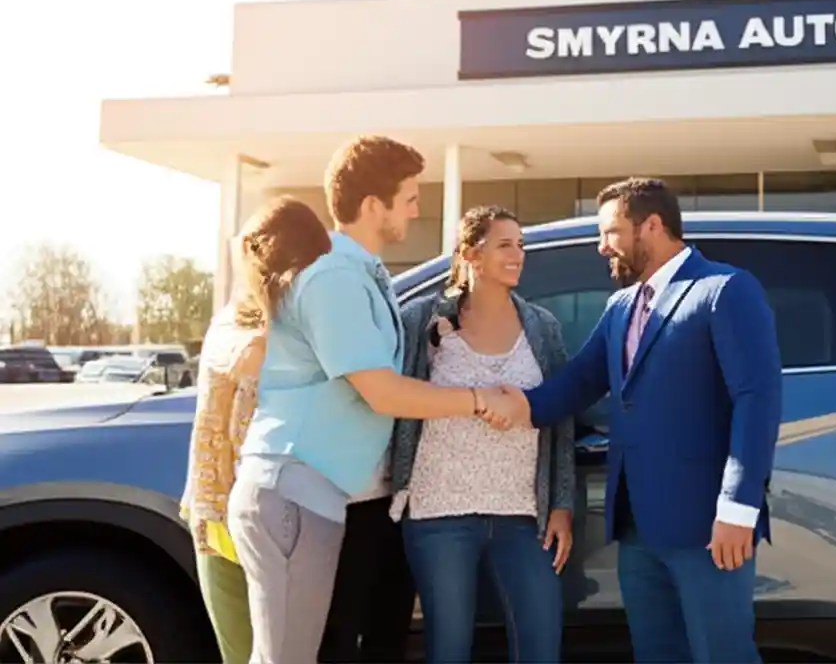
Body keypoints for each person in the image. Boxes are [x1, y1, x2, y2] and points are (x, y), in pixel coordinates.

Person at [227, 135, 527, 664]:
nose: (416, 208)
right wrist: (480, 398)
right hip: (296, 487)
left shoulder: (364, 275)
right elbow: (381, 391)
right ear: (372, 206)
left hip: (323, 491)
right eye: (408, 197)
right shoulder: (334, 279)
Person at [510, 177, 783, 663]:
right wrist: (504, 405)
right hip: (637, 527)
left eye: (611, 232)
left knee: (724, 656)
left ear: (652, 226)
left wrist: (738, 510)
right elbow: (578, 383)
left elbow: (756, 400)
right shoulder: (619, 307)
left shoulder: (723, 290)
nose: (601, 247)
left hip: (707, 527)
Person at [388, 205, 576, 663]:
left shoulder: (542, 328)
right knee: (449, 649)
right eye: (505, 245)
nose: (518, 255)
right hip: (439, 512)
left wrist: (562, 505)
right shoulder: (423, 322)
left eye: (521, 246)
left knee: (540, 645)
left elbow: (562, 416)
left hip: (522, 515)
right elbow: (387, 392)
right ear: (472, 253)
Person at [180, 196, 329, 664]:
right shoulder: (246, 328)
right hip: (237, 521)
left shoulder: (262, 324)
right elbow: (247, 359)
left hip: (251, 519)